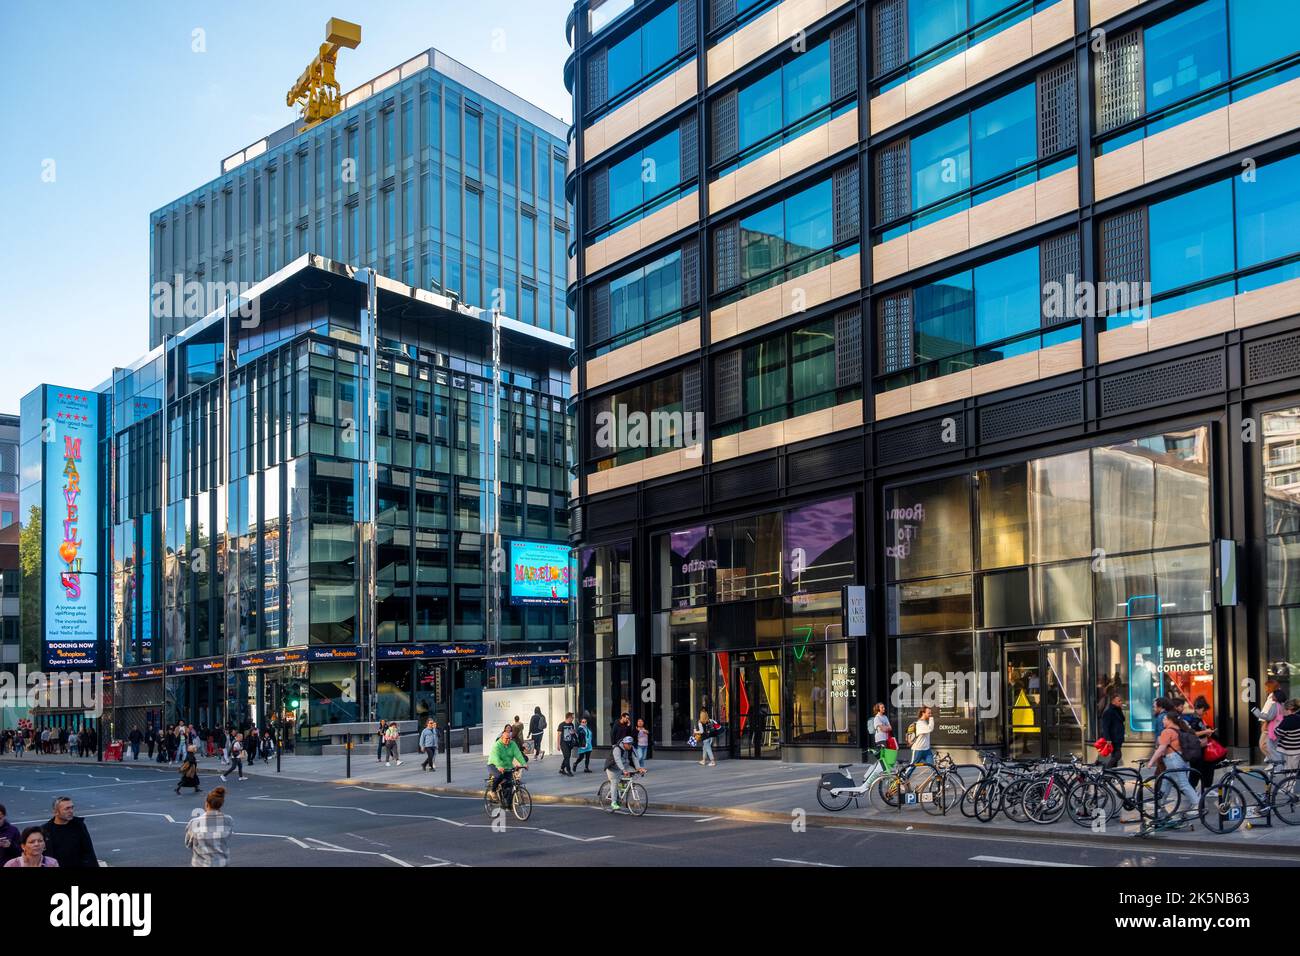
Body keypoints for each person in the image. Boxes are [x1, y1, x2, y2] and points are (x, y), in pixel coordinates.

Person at [1147, 712, 1202, 812]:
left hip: (1173, 760)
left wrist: (1151, 761)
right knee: (1166, 781)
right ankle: (1159, 803)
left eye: (1164, 719)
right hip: (1179, 759)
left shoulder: (1167, 731)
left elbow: (1161, 748)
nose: (1163, 721)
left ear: (1170, 720)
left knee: (1183, 784)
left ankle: (1197, 804)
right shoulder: (1179, 730)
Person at [41, 797, 97, 868]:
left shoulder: (78, 825)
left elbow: (89, 850)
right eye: (67, 809)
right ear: (56, 812)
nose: (71, 811)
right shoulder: (46, 830)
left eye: (72, 808)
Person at [185, 787, 234, 867]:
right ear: (221, 804)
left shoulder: (195, 822)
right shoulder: (228, 820)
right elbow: (226, 838)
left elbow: (188, 844)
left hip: (201, 864)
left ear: (206, 804)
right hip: (221, 863)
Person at [486, 726, 528, 807]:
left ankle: (508, 805)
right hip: (493, 765)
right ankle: (493, 791)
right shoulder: (497, 745)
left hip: (507, 766)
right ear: (501, 738)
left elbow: (518, 754)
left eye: (509, 738)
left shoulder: (512, 744)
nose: (508, 740)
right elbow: (495, 757)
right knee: (499, 776)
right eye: (506, 738)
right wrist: (499, 766)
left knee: (509, 785)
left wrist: (524, 764)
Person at [604, 735, 646, 812]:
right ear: (624, 743)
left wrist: (639, 768)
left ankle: (621, 791)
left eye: (631, 744)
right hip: (613, 768)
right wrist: (623, 770)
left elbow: (635, 758)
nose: (630, 746)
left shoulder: (631, 748)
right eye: (628, 744)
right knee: (614, 782)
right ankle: (613, 802)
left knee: (632, 776)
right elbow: (618, 760)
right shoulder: (617, 748)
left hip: (625, 766)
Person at [1252, 688, 1287, 761]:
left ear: (1277, 696)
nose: (1272, 697)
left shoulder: (1275, 705)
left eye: (1273, 695)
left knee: (1270, 747)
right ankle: (1279, 762)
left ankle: (1277, 763)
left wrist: (1257, 713)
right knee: (1277, 748)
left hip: (1273, 730)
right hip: (1281, 729)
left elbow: (1269, 717)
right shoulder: (1284, 705)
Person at [903, 707, 935, 779]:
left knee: (934, 768)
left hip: (927, 750)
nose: (930, 714)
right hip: (918, 750)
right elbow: (930, 729)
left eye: (931, 713)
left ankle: (939, 784)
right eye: (929, 713)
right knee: (912, 766)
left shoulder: (924, 722)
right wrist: (931, 719)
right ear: (923, 713)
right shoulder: (920, 724)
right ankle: (902, 780)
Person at [1100, 693, 1126, 769]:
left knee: (1114, 756)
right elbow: (1105, 727)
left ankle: (1112, 772)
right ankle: (1106, 770)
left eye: (1121, 701)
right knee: (1117, 755)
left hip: (1118, 738)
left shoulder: (1118, 711)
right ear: (1113, 702)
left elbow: (1123, 719)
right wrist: (1107, 738)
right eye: (1119, 701)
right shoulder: (1108, 712)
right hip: (1113, 738)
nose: (1121, 702)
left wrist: (1120, 709)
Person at [1276, 699, 1300, 773]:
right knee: (1295, 769)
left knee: (1290, 771)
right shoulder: (1298, 718)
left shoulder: (1287, 720)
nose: (1282, 711)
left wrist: (1277, 724)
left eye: (1283, 709)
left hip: (1290, 750)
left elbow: (1278, 732)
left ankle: (1289, 781)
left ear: (1288, 710)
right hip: (1298, 748)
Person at [556, 712, 578, 776]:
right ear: (569, 717)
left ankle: (562, 769)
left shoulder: (571, 724)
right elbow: (559, 735)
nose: (573, 719)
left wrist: (574, 732)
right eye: (572, 718)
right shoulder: (561, 725)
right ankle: (568, 771)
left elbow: (573, 733)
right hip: (563, 743)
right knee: (567, 756)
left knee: (567, 757)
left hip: (570, 743)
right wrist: (558, 745)